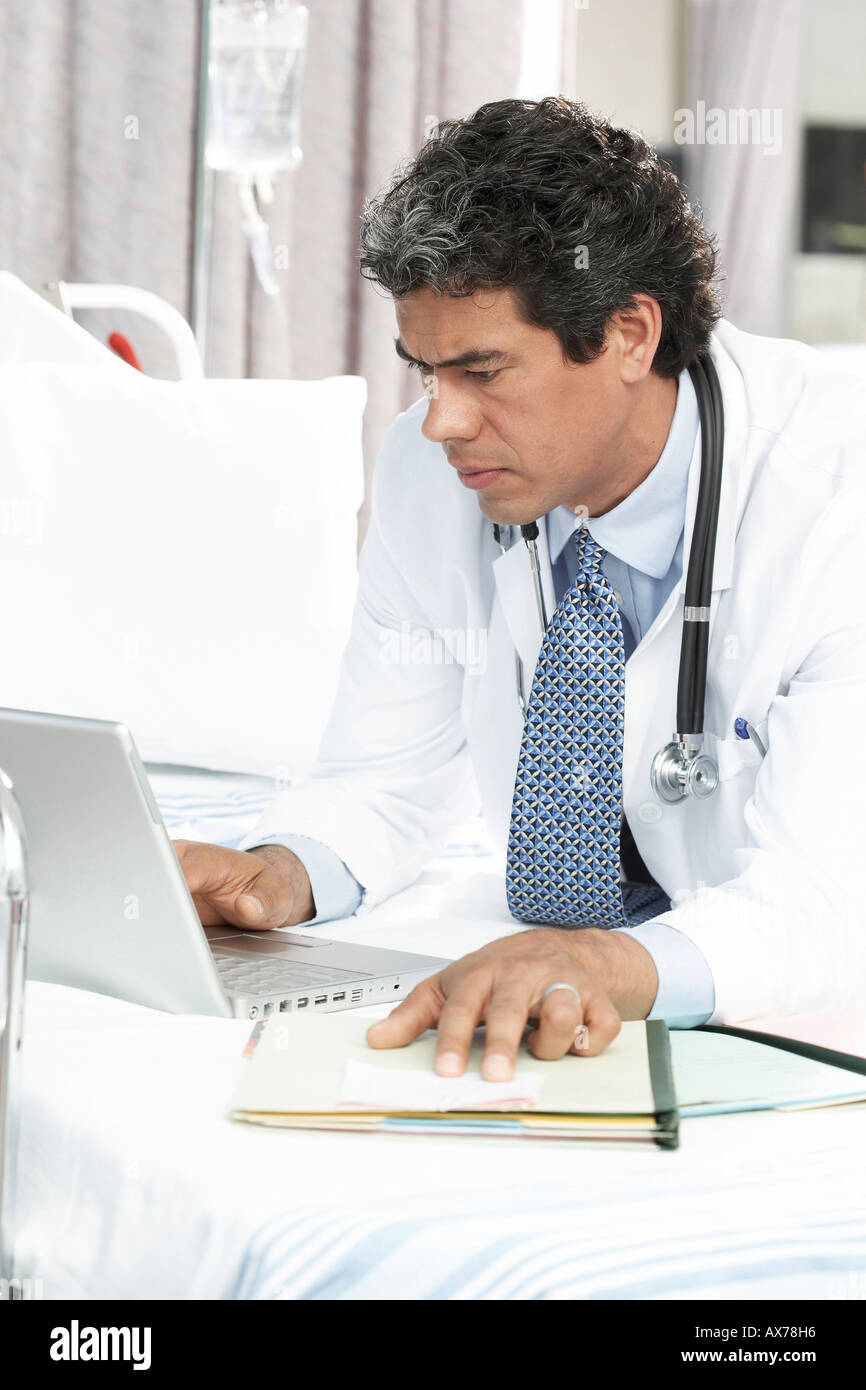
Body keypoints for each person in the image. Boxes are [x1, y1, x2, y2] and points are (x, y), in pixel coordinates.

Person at [176, 97, 866, 1082]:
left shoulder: (833, 498)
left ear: (628, 333)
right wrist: (278, 875)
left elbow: (829, 903)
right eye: (422, 371)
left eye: (482, 369)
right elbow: (383, 774)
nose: (440, 421)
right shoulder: (433, 476)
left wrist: (600, 962)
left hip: (816, 1018)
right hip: (603, 1015)